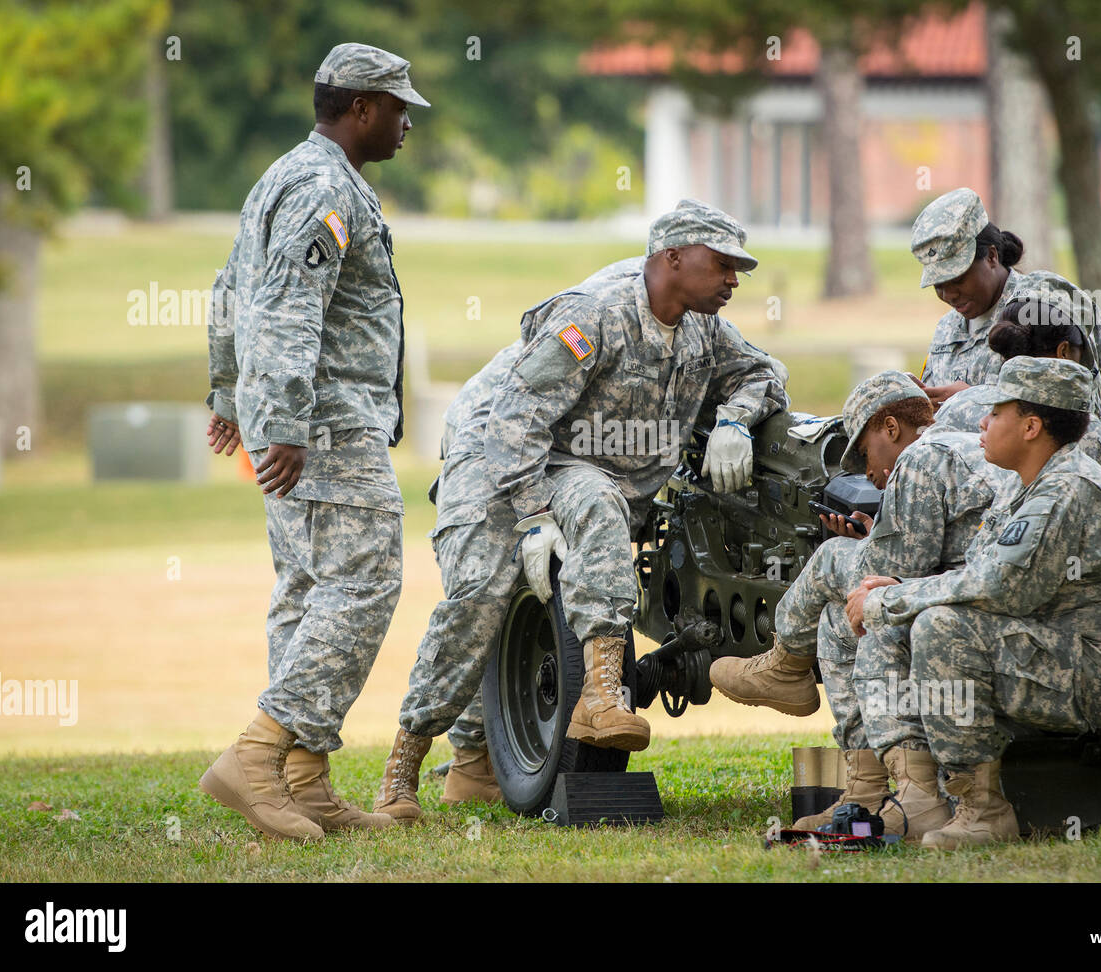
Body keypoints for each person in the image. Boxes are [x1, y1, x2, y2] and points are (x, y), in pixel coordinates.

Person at [373, 199, 789, 824]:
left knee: (596, 504)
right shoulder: (594, 314)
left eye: (739, 268)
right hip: (501, 453)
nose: (734, 279)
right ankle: (399, 777)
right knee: (480, 601)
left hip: (590, 469)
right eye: (723, 264)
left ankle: (577, 709)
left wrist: (733, 419)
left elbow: (763, 372)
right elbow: (516, 419)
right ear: (672, 257)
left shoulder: (702, 325)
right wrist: (534, 516)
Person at [199, 42, 429, 841]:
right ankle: (260, 753)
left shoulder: (282, 175)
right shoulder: (326, 189)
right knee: (365, 580)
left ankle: (302, 778)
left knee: (306, 589)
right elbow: (289, 308)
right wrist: (287, 422)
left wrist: (231, 394)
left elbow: (230, 288)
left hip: (297, 418)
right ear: (361, 106)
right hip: (325, 423)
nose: (407, 123)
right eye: (399, 108)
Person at [846, 357, 1101, 849]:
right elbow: (981, 573)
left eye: (995, 412)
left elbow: (1003, 588)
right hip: (1066, 652)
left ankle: (983, 810)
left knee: (941, 629)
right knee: (909, 621)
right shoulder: (1024, 484)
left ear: (1030, 426)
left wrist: (893, 598)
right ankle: (914, 795)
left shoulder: (1070, 489)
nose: (981, 422)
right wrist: (894, 588)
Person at [709, 372, 1010, 838]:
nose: (867, 472)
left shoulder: (921, 457)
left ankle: (786, 663)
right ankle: (868, 789)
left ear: (891, 427)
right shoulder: (973, 446)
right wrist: (878, 536)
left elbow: (889, 576)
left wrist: (869, 549)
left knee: (833, 561)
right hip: (980, 600)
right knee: (836, 618)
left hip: (970, 611)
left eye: (865, 453)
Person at [933, 286, 1101, 715]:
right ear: (1065, 352)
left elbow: (1006, 581)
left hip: (1073, 624)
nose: (986, 421)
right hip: (1047, 609)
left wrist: (901, 593)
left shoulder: (1038, 448)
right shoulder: (1068, 436)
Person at [909, 187, 1101, 417]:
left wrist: (971, 399)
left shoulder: (1041, 306)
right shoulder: (947, 329)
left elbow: (1068, 407)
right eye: (938, 285)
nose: (949, 294)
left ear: (992, 256)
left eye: (958, 279)